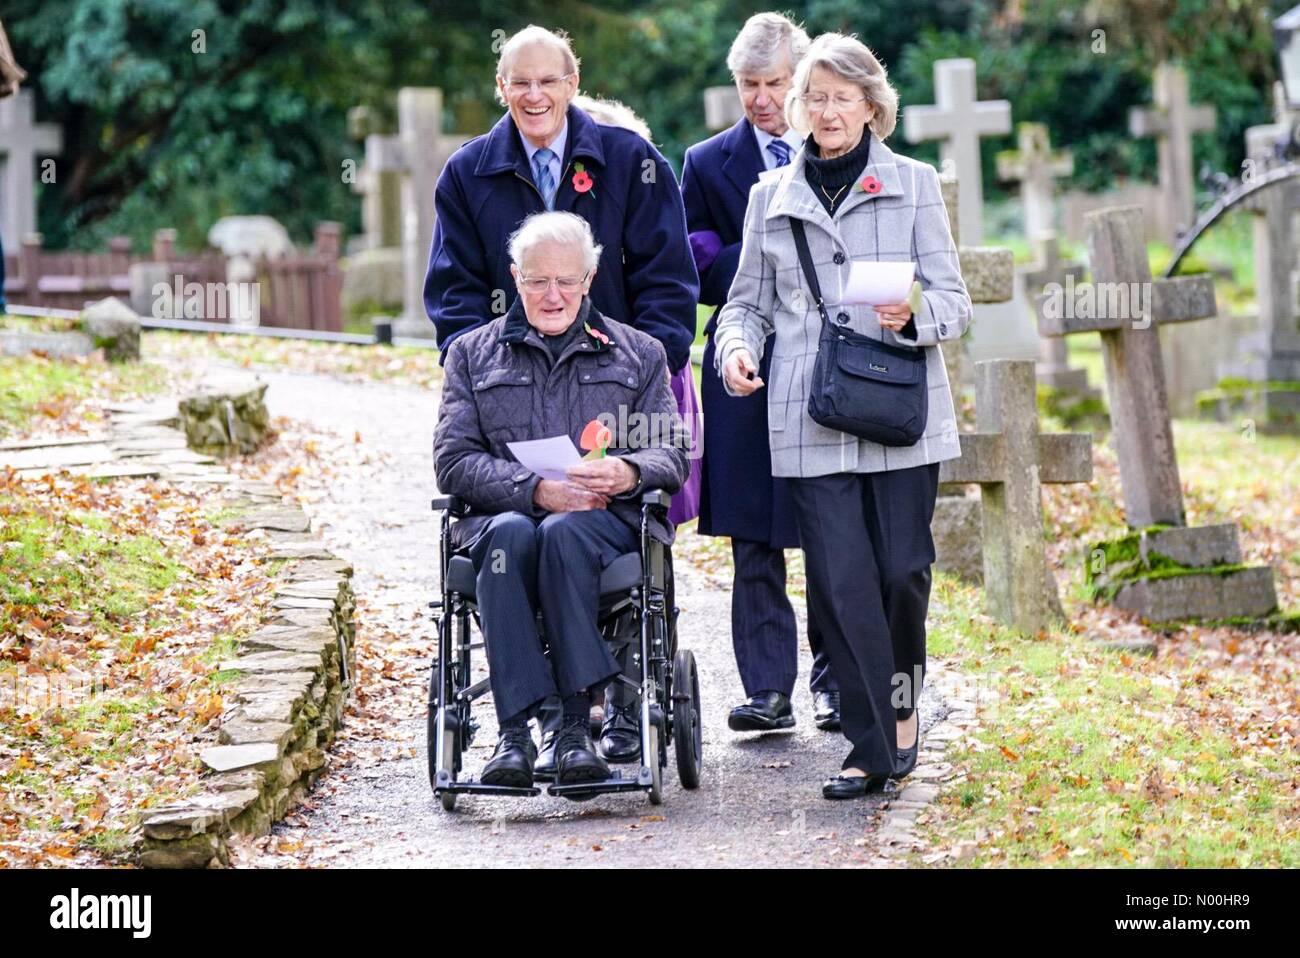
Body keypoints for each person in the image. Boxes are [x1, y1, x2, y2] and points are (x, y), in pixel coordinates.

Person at [424, 25, 699, 774]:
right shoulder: (469, 173)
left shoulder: (631, 164)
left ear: (575, 83)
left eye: (549, 80)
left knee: (573, 537)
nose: (535, 95)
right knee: (515, 537)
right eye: (520, 81)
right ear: (501, 87)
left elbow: (671, 282)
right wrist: (486, 358)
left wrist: (636, 364)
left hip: (613, 395)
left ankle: (580, 720)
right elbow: (450, 297)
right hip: (507, 402)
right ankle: (534, 728)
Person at [713, 33, 971, 799]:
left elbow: (954, 302)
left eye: (841, 97)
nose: (827, 111)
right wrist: (735, 350)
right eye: (814, 98)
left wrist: (912, 309)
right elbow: (744, 304)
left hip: (899, 408)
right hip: (808, 413)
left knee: (903, 572)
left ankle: (900, 707)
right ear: (798, 108)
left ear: (871, 106)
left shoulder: (916, 184)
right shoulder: (770, 197)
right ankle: (868, 745)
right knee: (842, 582)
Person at [433, 211, 690, 788]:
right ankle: (516, 735)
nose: (552, 295)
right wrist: (536, 491)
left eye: (565, 281)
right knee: (515, 534)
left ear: (589, 279)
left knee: (563, 535)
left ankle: (572, 729)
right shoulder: (471, 356)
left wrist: (626, 471)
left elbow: (672, 453)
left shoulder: (639, 355)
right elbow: (452, 460)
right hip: (502, 525)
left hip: (601, 527)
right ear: (514, 278)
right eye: (537, 281)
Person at [681, 12, 840, 736]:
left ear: (801, 79)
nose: (762, 98)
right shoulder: (706, 163)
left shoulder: (837, 144)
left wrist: (748, 252)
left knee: (830, 524)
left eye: (774, 82)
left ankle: (837, 684)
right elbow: (694, 260)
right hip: (742, 357)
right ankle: (768, 691)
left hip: (827, 357)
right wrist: (763, 258)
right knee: (755, 531)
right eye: (749, 84)